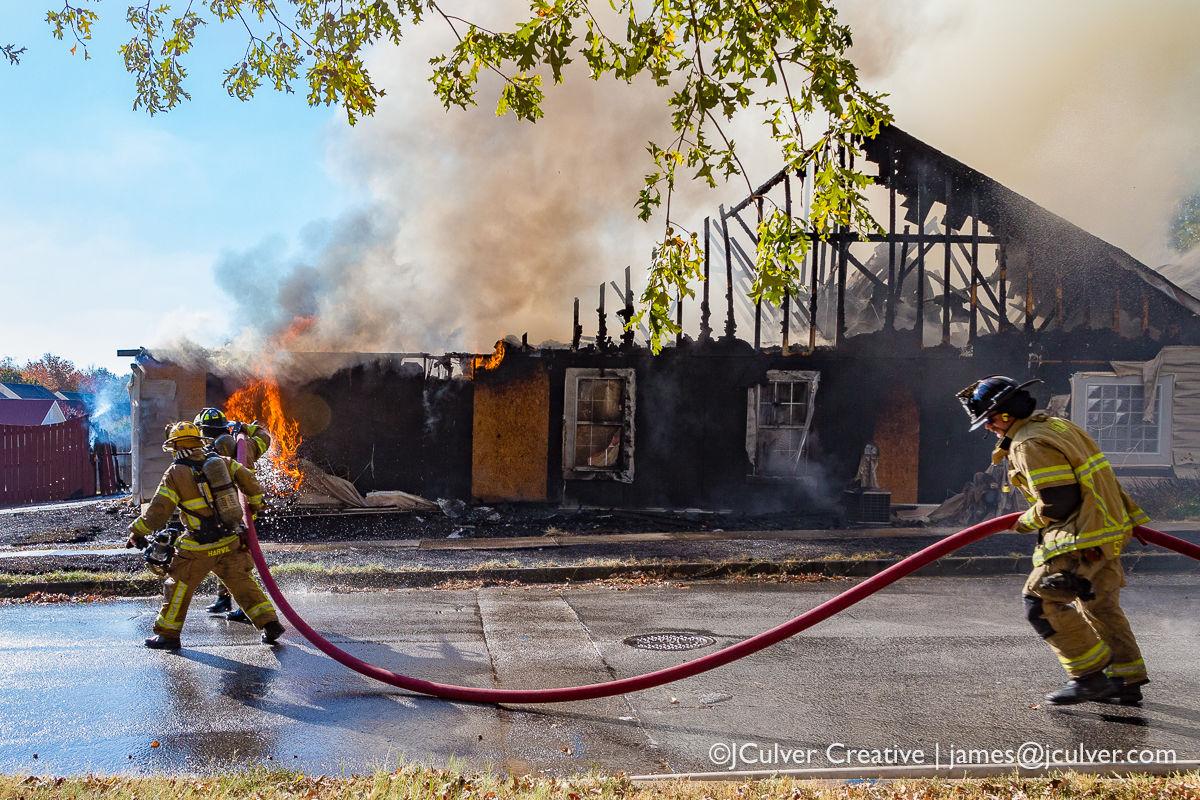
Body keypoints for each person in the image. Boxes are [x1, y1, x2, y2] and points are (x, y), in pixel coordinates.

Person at [956, 376, 1150, 705]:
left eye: (988, 420)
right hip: (1106, 530)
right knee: (1100, 606)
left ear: (1004, 415)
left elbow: (1058, 501)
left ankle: (1088, 678)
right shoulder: (1056, 426)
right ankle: (1124, 679)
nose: (988, 427)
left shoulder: (1027, 443)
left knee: (1040, 602)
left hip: (1081, 537)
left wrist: (1024, 521)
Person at [127, 421, 285, 650]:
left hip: (198, 547)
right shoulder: (221, 462)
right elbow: (250, 481)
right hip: (230, 539)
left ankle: (168, 634)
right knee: (242, 583)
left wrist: (136, 531)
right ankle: (269, 623)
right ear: (199, 441)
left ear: (174, 446)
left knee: (178, 584)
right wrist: (254, 506)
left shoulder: (175, 473)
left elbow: (159, 511)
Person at [194, 407, 272, 623]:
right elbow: (265, 437)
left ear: (204, 431)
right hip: (244, 507)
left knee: (238, 559)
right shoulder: (242, 444)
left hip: (228, 511)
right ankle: (224, 598)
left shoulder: (207, 451)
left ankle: (250, 607)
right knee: (227, 556)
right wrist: (246, 428)